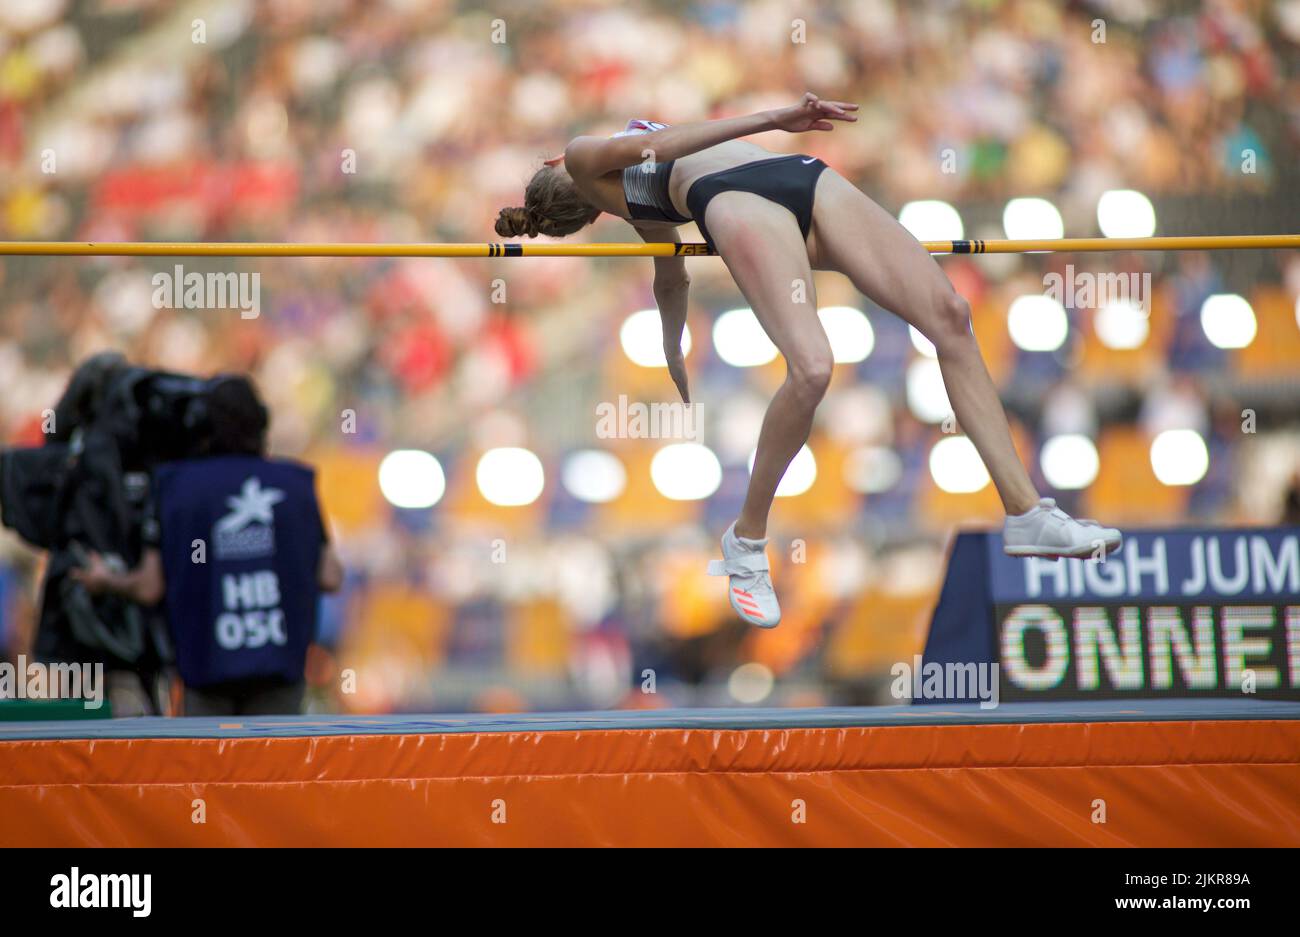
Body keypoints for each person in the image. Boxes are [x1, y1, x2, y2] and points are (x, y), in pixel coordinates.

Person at [496, 93, 1121, 628]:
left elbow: (671, 279)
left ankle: (1025, 513)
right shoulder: (582, 156)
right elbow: (673, 164)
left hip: (800, 176)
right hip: (734, 196)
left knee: (951, 318)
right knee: (814, 367)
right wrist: (774, 115)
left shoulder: (631, 202)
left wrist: (671, 349)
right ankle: (746, 540)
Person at [74, 375, 343, 715]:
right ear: (261, 424)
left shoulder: (176, 486)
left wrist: (104, 580)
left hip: (206, 671)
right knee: (274, 767)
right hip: (279, 671)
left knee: (208, 766)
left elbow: (149, 586)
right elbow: (331, 576)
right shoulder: (297, 484)